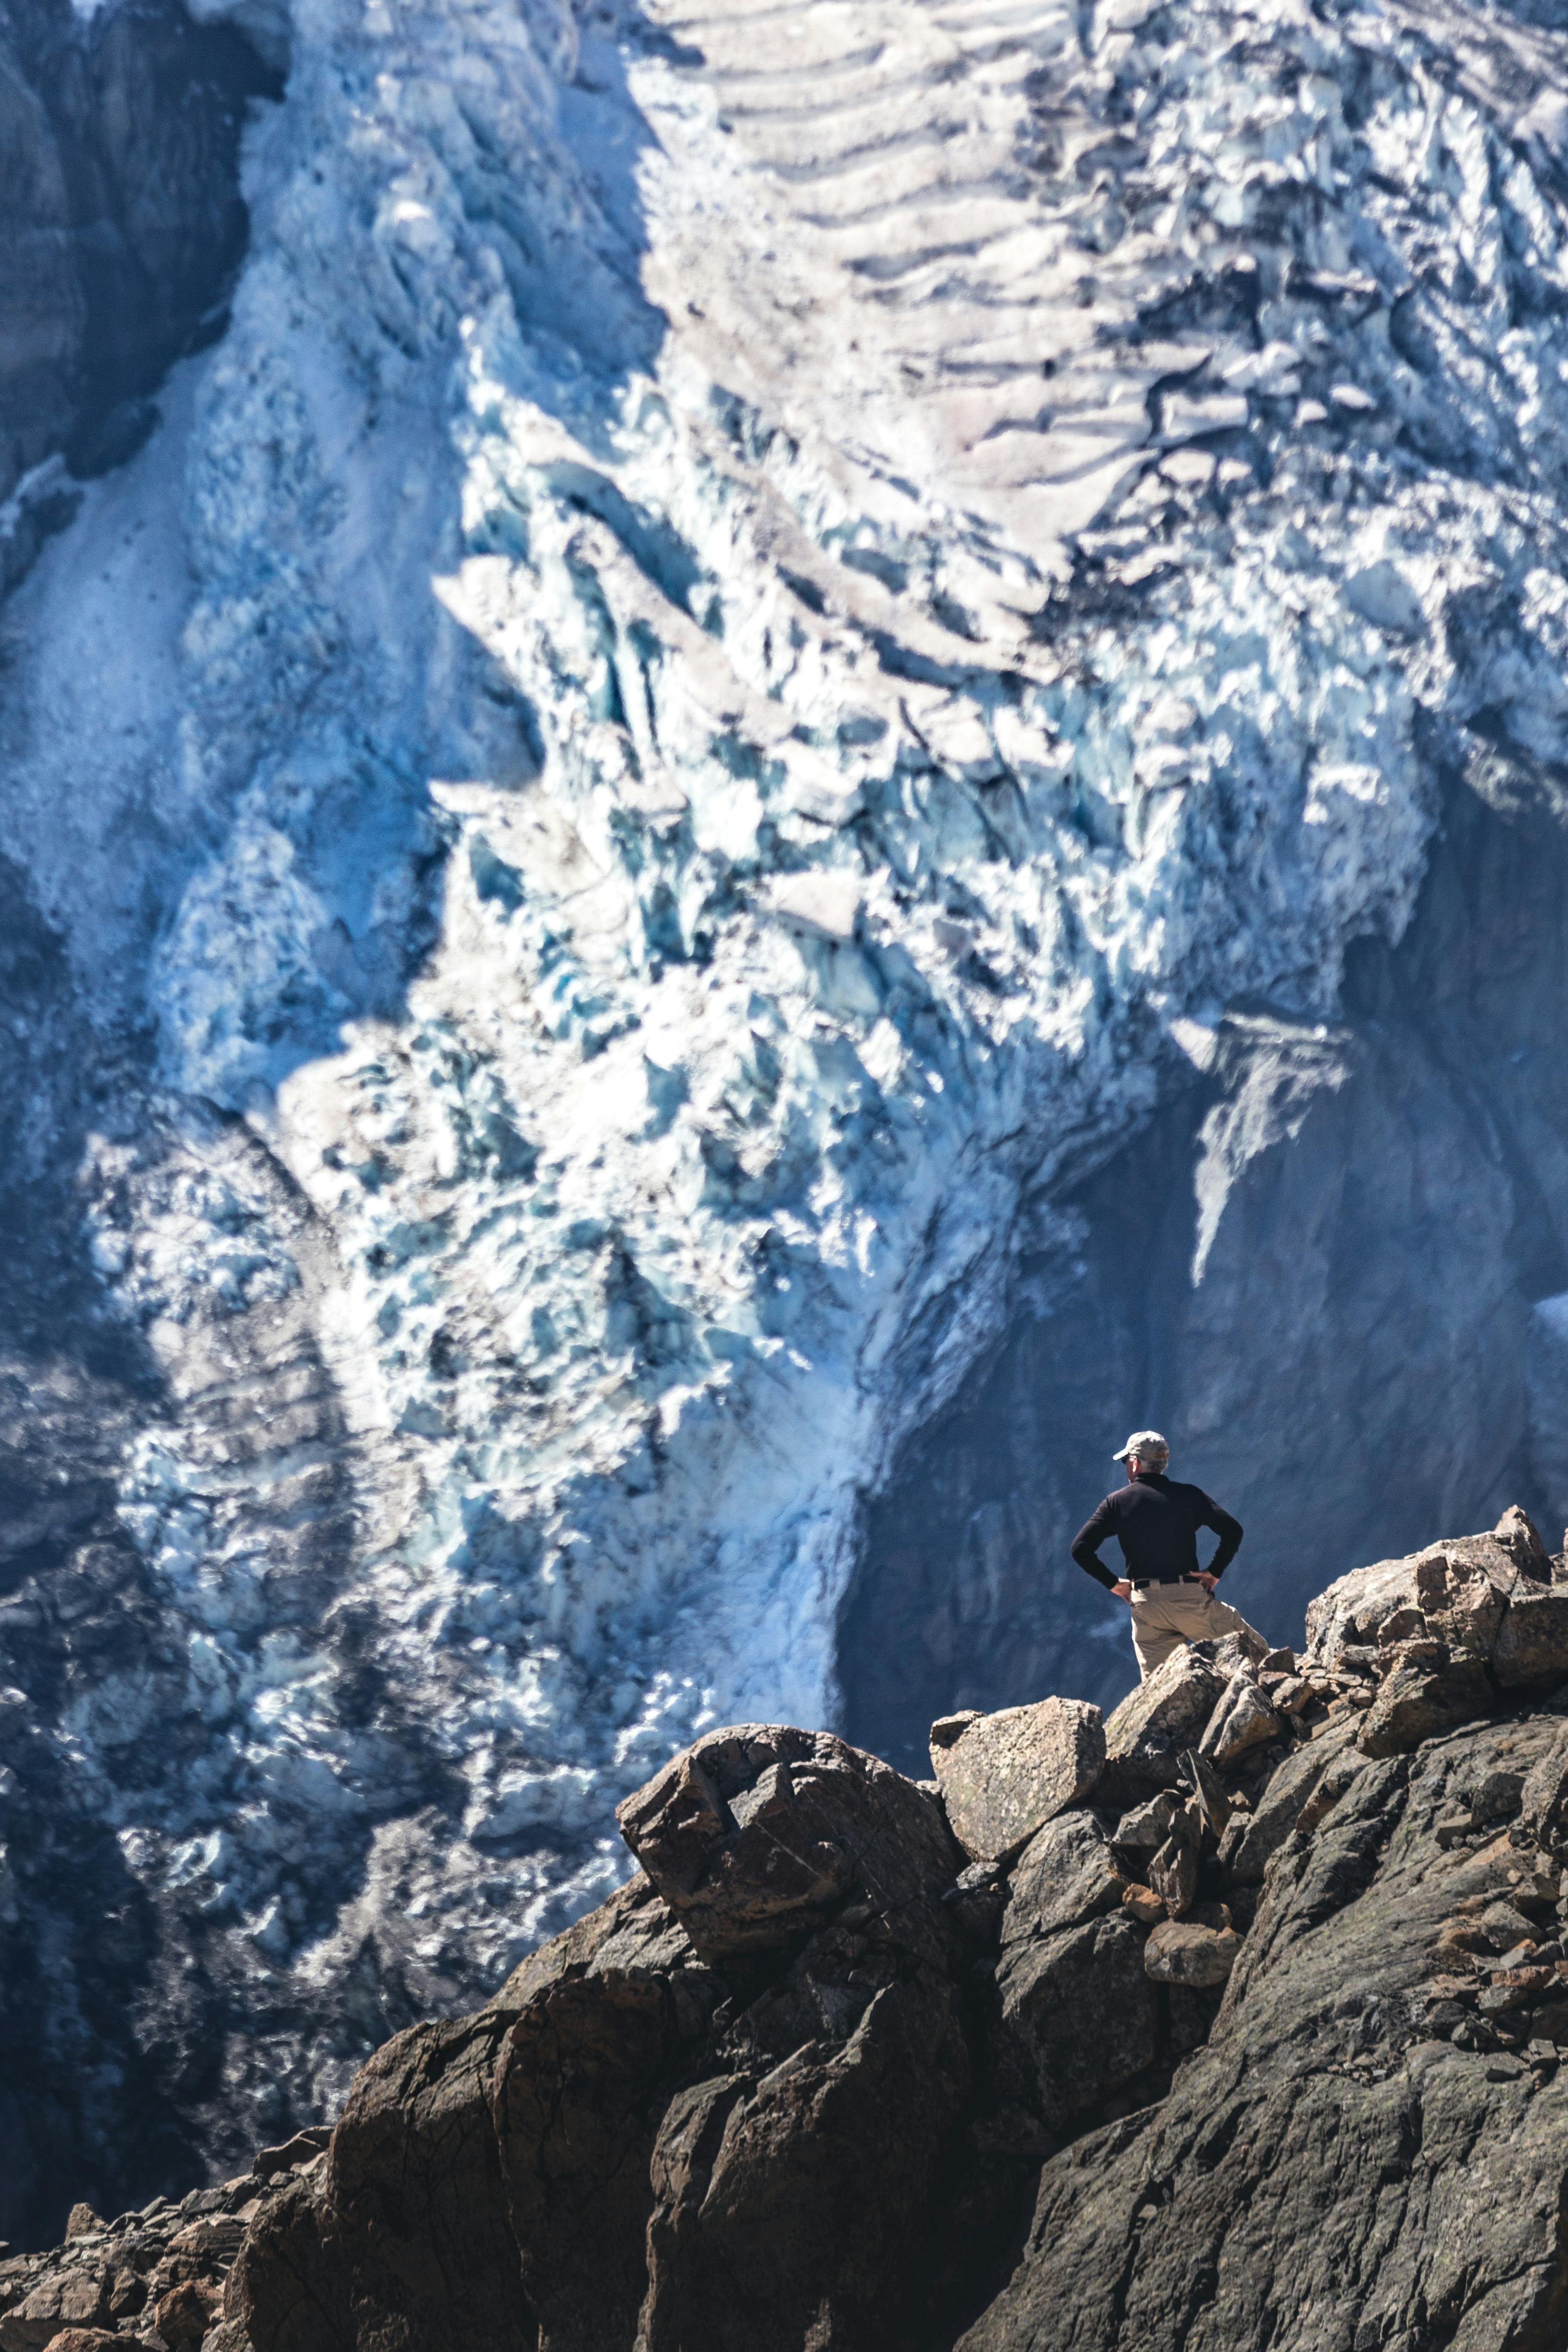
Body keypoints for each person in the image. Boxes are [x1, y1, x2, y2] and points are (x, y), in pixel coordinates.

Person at [1071, 1429, 1263, 1681]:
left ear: (1137, 1462)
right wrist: (1214, 1572)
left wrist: (1115, 1584)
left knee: (1160, 1688)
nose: (1126, 1467)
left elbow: (1080, 1549)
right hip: (1188, 1599)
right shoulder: (1189, 1495)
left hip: (1146, 1607)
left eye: (1126, 1461)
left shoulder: (1115, 1503)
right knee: (1259, 1656)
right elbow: (1232, 1531)